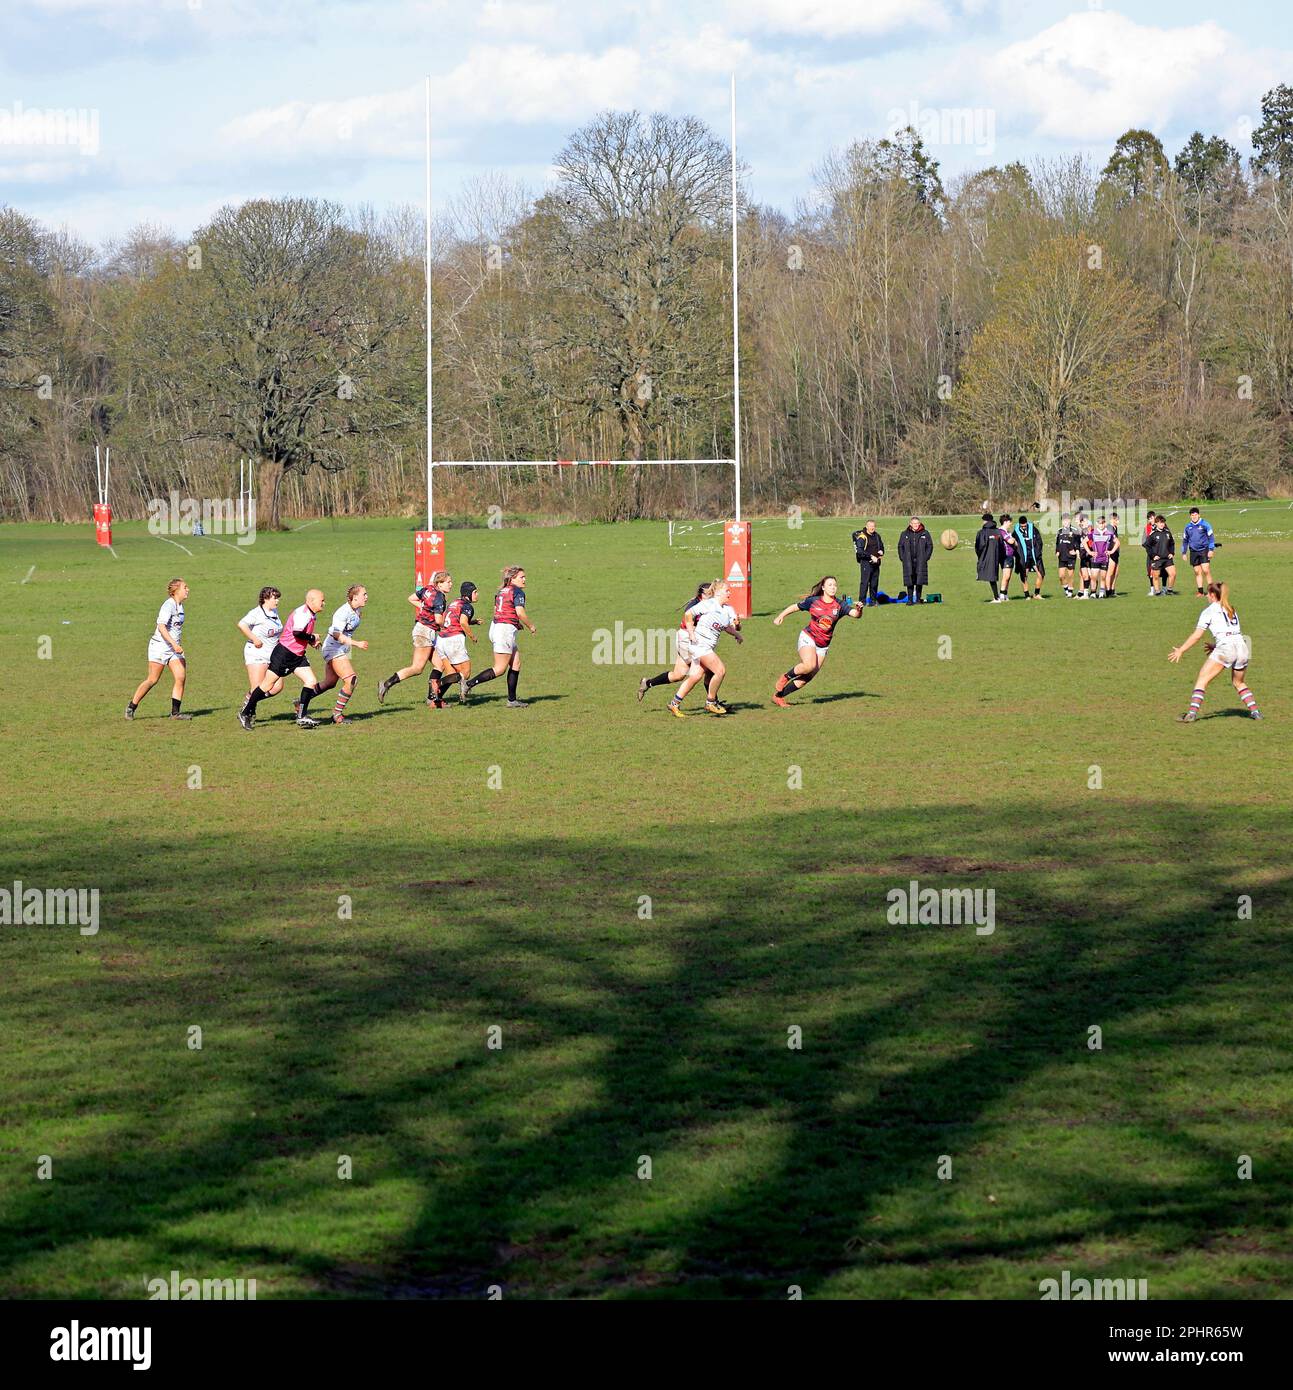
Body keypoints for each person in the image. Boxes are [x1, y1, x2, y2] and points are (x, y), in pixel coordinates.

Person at [1169, 582, 1261, 722]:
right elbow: (1231, 632)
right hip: (1243, 646)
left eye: (1207, 593)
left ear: (1212, 595)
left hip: (1226, 648)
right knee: (1239, 682)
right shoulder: (1231, 609)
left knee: (1202, 680)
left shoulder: (1209, 611)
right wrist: (1216, 645)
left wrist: (1181, 650)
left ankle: (1191, 714)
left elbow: (1197, 635)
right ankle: (1256, 713)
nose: (1206, 596)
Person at [238, 588, 327, 730]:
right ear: (311, 601)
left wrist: (310, 641)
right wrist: (311, 638)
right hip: (284, 654)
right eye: (322, 600)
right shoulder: (303, 613)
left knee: (311, 681)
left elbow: (298, 633)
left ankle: (301, 716)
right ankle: (246, 712)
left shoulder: (310, 613)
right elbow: (297, 632)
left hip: (297, 655)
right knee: (267, 686)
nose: (324, 603)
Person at [771, 575, 860, 706]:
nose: (833, 587)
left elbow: (856, 615)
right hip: (808, 637)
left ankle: (778, 696)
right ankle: (785, 677)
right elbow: (795, 607)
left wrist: (859, 609)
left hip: (823, 646)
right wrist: (781, 616)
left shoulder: (840, 605)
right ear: (823, 587)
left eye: (835, 585)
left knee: (807, 677)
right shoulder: (814, 601)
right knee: (809, 665)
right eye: (830, 585)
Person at [463, 566, 535, 708]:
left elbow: (499, 610)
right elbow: (520, 613)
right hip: (504, 631)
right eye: (522, 577)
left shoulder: (502, 591)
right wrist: (530, 626)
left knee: (516, 664)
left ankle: (512, 700)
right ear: (513, 578)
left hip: (498, 627)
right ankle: (468, 684)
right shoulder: (517, 591)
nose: (524, 579)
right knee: (500, 669)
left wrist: (515, 624)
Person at [378, 571, 452, 705]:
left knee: (439, 664)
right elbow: (438, 619)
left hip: (421, 629)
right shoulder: (440, 597)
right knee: (417, 668)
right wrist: (447, 625)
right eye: (448, 582)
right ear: (439, 584)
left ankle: (432, 698)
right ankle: (387, 683)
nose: (451, 585)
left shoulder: (427, 589)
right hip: (425, 632)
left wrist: (423, 607)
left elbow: (411, 598)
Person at [669, 580, 741, 716]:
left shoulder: (728, 609)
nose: (730, 593)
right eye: (727, 591)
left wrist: (737, 630)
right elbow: (688, 614)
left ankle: (674, 703)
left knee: (695, 676)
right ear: (718, 593)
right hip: (700, 645)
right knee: (720, 671)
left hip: (706, 647)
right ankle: (710, 702)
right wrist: (690, 632)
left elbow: (729, 626)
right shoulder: (709, 604)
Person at [638, 580, 717, 702]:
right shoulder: (694, 606)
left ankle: (647, 683)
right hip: (687, 640)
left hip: (690, 640)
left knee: (678, 675)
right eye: (710, 593)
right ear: (703, 594)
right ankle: (713, 702)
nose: (712, 596)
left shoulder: (707, 604)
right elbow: (689, 624)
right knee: (709, 668)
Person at [126, 577, 192, 720]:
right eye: (185, 587)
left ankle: (175, 713)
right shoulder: (168, 605)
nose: (188, 590)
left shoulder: (180, 606)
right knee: (152, 679)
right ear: (175, 591)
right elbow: (161, 626)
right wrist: (174, 644)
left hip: (174, 649)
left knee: (181, 676)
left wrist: (176, 645)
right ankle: (132, 706)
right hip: (160, 647)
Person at [315, 585, 369, 724]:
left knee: (330, 683)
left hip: (343, 648)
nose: (367, 597)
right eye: (364, 594)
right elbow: (337, 634)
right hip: (333, 648)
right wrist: (357, 643)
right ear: (355, 597)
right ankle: (337, 714)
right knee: (351, 680)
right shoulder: (343, 612)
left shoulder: (357, 610)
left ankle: (302, 701)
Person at [432, 581, 480, 704]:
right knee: (465, 673)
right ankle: (438, 682)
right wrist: (472, 636)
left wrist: (473, 622)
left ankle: (436, 700)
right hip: (453, 641)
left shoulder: (455, 602)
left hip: (441, 639)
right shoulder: (467, 606)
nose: (477, 594)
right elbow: (463, 622)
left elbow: (453, 619)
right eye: (475, 592)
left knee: (451, 673)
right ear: (468, 594)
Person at [238, 586, 284, 695]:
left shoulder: (274, 611)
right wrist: (254, 639)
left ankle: (250, 702)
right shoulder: (256, 613)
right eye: (275, 598)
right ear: (266, 599)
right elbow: (242, 624)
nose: (277, 600)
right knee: (257, 688)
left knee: (277, 686)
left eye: (278, 598)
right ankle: (247, 710)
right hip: (257, 653)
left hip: (273, 654)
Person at [1181, 507, 1217, 596]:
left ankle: (1211, 592)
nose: (1194, 516)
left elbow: (1211, 537)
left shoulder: (1205, 524)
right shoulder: (1187, 527)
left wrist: (1211, 549)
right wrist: (1184, 552)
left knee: (1206, 570)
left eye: (1195, 515)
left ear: (1199, 515)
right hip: (1193, 551)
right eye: (1192, 515)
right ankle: (1200, 592)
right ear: (1190, 516)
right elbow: (1185, 540)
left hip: (1204, 550)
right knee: (1197, 572)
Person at [897, 517, 932, 604]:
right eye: (914, 523)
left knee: (919, 580)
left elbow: (930, 546)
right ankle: (910, 600)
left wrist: (925, 557)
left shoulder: (925, 533)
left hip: (920, 561)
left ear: (919, 524)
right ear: (910, 524)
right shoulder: (904, 534)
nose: (916, 525)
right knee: (910, 580)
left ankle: (918, 599)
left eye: (917, 523)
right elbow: (900, 546)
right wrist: (903, 557)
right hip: (908, 560)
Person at [1142, 515, 1178, 596]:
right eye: (1160, 523)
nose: (1162, 524)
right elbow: (1147, 545)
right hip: (1157, 559)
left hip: (1167, 558)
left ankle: (1169, 590)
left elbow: (1172, 543)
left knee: (1173, 574)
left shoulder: (1167, 533)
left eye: (1163, 522)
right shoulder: (1153, 534)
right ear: (1156, 523)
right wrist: (1153, 555)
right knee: (1156, 576)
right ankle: (1158, 592)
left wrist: (1172, 553)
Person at [852, 521, 884, 606]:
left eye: (873, 526)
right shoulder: (862, 537)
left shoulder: (877, 536)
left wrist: (881, 552)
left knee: (874, 583)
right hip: (866, 563)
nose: (872, 528)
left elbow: (881, 546)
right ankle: (862, 601)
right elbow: (860, 551)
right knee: (865, 582)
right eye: (870, 526)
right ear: (866, 526)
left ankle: (873, 601)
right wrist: (871, 556)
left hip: (876, 563)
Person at [1015, 512, 1046, 599]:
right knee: (1024, 575)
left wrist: (1039, 551)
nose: (1024, 527)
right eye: (1022, 526)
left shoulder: (1033, 529)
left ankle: (1036, 594)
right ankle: (1027, 595)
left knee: (1041, 574)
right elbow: (1014, 544)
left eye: (1025, 526)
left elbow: (1039, 541)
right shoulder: (1016, 531)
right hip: (1024, 557)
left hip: (1034, 556)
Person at [975, 513, 1003, 602]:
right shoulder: (998, 532)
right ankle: (999, 596)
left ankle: (997, 598)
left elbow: (979, 546)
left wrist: (980, 556)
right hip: (996, 557)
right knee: (993, 576)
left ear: (985, 521)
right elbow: (1001, 545)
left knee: (991, 577)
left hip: (986, 557)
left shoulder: (982, 532)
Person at [1055, 514, 1082, 598]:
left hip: (1071, 556)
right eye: (1064, 520)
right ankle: (1066, 589)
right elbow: (1057, 543)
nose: (1065, 522)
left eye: (1067, 520)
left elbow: (1078, 543)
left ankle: (1070, 592)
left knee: (1070, 575)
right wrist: (1057, 551)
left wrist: (1076, 551)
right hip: (1062, 556)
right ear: (1062, 521)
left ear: (1070, 520)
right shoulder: (1059, 531)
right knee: (1061, 576)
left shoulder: (1075, 530)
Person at [997, 515, 1020, 600]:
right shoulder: (1001, 531)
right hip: (1005, 556)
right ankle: (1002, 594)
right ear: (1005, 522)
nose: (1011, 524)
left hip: (1010, 556)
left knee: (1008, 577)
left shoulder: (1008, 532)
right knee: (1006, 576)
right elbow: (1011, 541)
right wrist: (1013, 539)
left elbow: (1016, 544)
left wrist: (1013, 540)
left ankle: (1005, 594)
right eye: (1010, 522)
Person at [1106, 511, 1122, 596]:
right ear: (1113, 520)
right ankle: (1108, 591)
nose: (1118, 521)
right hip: (1111, 552)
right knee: (1110, 572)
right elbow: (1114, 541)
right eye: (1117, 520)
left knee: (1116, 572)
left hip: (1115, 552)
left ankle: (1112, 590)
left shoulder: (1115, 528)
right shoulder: (1109, 527)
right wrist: (1111, 551)